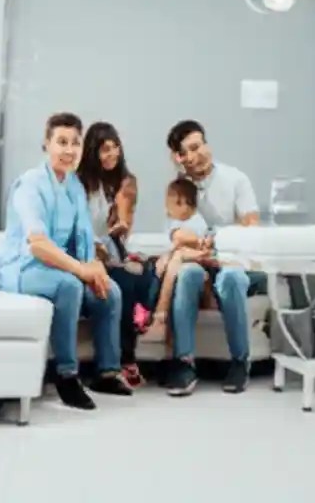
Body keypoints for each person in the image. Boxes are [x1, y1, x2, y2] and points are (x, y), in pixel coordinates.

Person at [0, 113, 132, 410]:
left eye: (75, 143)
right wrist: (81, 270)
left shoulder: (75, 187)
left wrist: (93, 265)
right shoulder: (30, 185)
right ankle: (66, 375)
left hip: (62, 265)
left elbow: (83, 237)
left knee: (110, 291)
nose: (69, 150)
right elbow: (39, 244)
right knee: (70, 285)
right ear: (47, 145)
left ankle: (107, 371)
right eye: (62, 142)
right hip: (23, 268)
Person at [163, 119, 265, 396]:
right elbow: (176, 235)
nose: (194, 156)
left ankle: (239, 362)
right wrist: (200, 246)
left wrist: (216, 238)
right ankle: (183, 362)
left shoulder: (235, 179)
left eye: (198, 146)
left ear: (206, 144)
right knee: (187, 275)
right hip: (198, 260)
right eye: (186, 152)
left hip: (234, 261)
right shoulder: (179, 189)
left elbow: (252, 226)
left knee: (231, 278)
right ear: (179, 157)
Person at [78, 121, 150, 388]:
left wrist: (119, 224)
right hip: (86, 251)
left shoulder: (126, 182)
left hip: (112, 249)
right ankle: (124, 360)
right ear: (92, 152)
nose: (112, 154)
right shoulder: (79, 183)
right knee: (122, 280)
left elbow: (123, 224)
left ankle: (126, 358)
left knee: (135, 275)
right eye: (104, 150)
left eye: (115, 148)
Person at [150, 178, 216, 337]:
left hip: (199, 266)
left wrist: (171, 253)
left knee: (174, 259)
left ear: (183, 203)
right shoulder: (179, 221)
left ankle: (160, 314)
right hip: (193, 260)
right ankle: (155, 312)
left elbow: (182, 237)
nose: (167, 210)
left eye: (170, 205)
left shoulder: (194, 222)